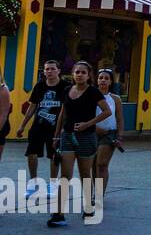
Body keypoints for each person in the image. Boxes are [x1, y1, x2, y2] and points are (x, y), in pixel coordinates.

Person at [47, 61, 112, 226]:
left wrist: (88, 124)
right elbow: (63, 113)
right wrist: (56, 136)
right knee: (65, 174)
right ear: (72, 74)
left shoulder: (93, 92)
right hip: (67, 135)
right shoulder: (67, 90)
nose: (80, 75)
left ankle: (89, 207)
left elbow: (107, 111)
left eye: (83, 72)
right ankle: (58, 213)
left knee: (85, 174)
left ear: (89, 75)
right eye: (77, 72)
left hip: (86, 137)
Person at [16, 60, 65, 199]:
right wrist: (22, 125)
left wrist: (65, 127)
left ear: (59, 71)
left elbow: (68, 108)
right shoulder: (39, 86)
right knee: (31, 153)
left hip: (55, 127)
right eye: (46, 69)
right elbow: (32, 106)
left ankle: (53, 185)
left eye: (52, 69)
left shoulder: (65, 87)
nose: (49, 71)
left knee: (54, 155)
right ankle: (33, 184)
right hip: (38, 125)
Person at [92, 69, 124, 206]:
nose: (103, 80)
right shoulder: (91, 96)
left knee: (102, 164)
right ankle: (95, 191)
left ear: (111, 81)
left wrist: (120, 136)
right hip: (91, 132)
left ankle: (99, 195)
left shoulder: (115, 99)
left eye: (106, 78)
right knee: (92, 165)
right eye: (100, 78)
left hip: (109, 133)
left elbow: (119, 118)